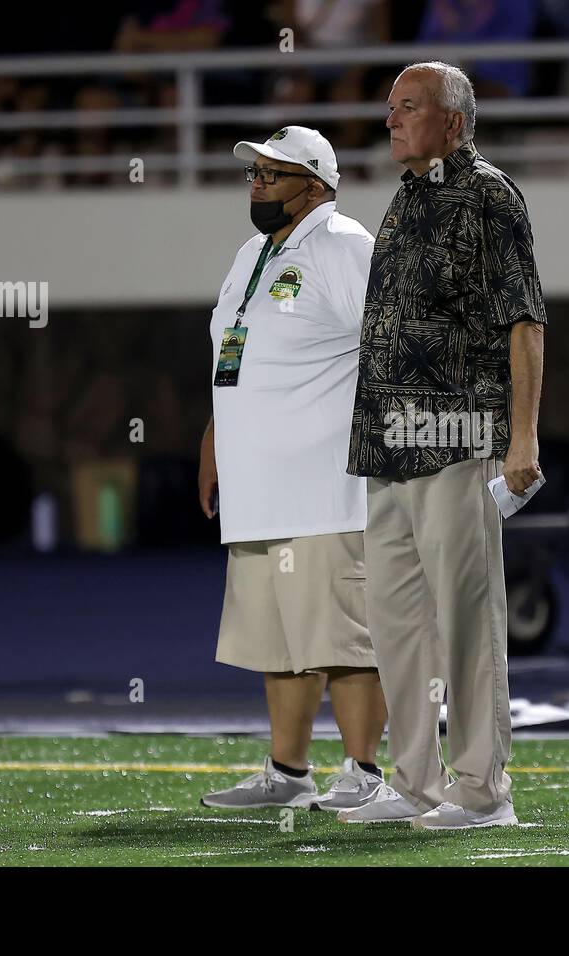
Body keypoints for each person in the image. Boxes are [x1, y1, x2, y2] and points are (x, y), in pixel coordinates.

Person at [337, 62, 547, 830]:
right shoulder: (405, 197)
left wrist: (522, 436)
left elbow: (525, 319)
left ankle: (485, 791)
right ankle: (416, 781)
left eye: (409, 107)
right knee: (397, 625)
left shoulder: (488, 196)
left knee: (467, 620)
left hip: (457, 439)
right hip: (387, 447)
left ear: (454, 121)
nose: (391, 118)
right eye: (390, 105)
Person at [198, 126, 388, 812]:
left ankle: (365, 771)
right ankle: (288, 771)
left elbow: (389, 352)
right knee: (278, 643)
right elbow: (236, 357)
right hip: (258, 488)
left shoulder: (344, 246)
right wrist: (216, 438)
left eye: (271, 176)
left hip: (323, 487)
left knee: (343, 638)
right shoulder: (253, 252)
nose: (256, 185)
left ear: (315, 185)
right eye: (253, 174)